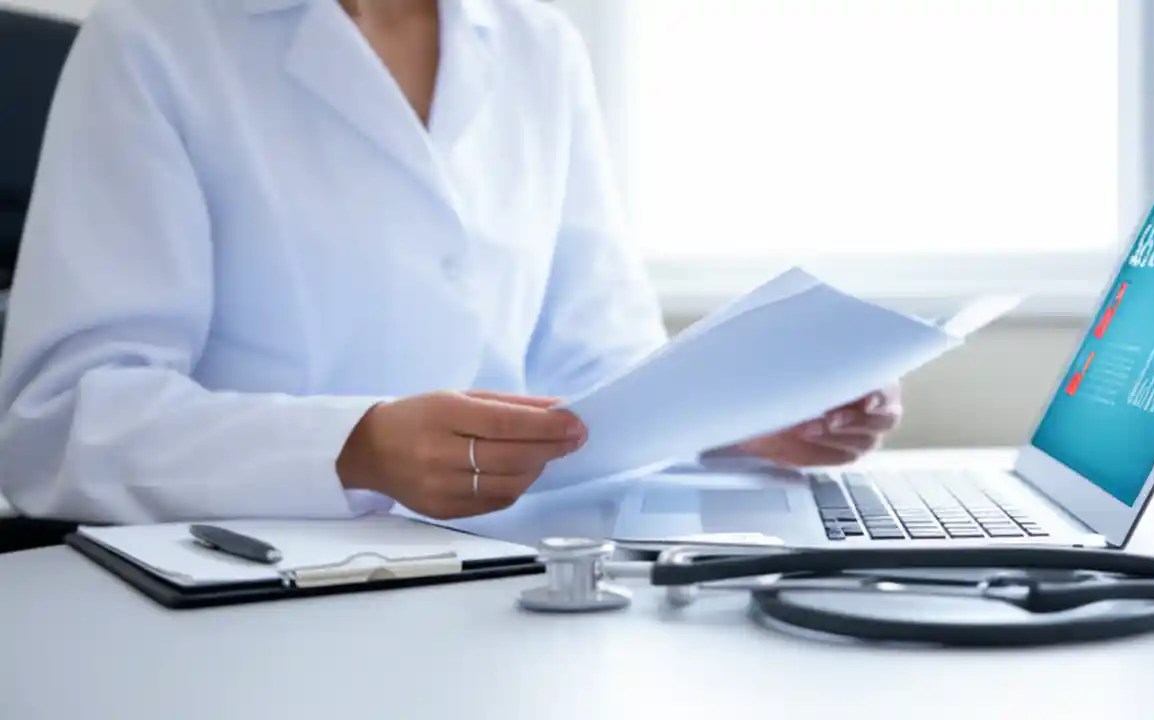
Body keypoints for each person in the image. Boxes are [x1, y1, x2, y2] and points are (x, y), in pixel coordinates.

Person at [0, 0, 902, 525]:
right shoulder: (155, 41)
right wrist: (354, 447)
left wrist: (735, 419)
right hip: (239, 576)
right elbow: (60, 421)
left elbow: (591, 367)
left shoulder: (538, 44)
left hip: (501, 571)